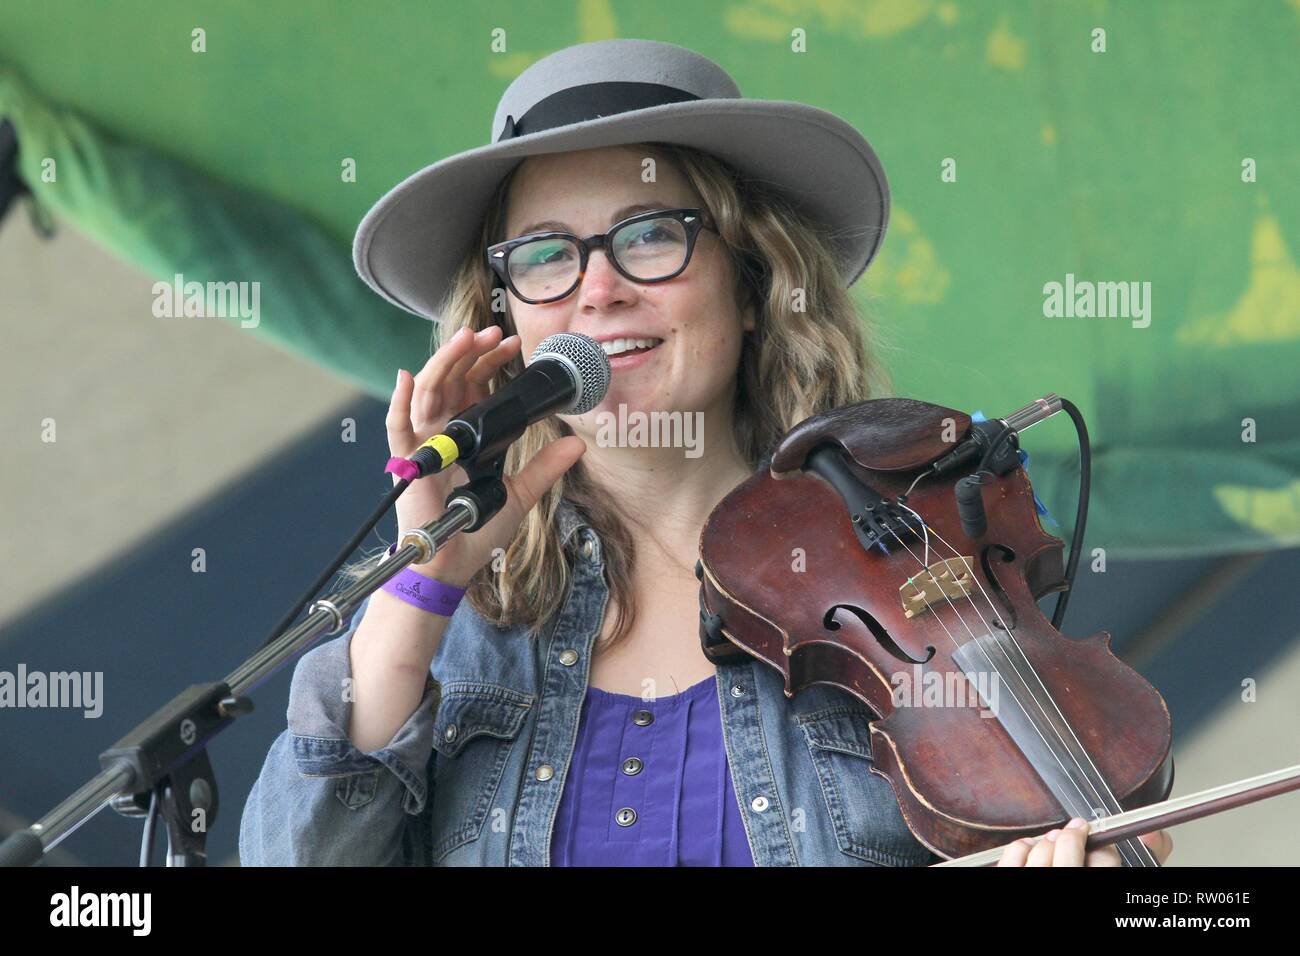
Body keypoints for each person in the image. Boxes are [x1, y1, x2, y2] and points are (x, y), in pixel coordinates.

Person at [239, 38, 1171, 868]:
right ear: (507, 316)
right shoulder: (447, 626)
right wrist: (421, 588)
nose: (596, 291)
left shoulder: (918, 567)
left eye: (649, 236)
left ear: (756, 280)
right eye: (545, 256)